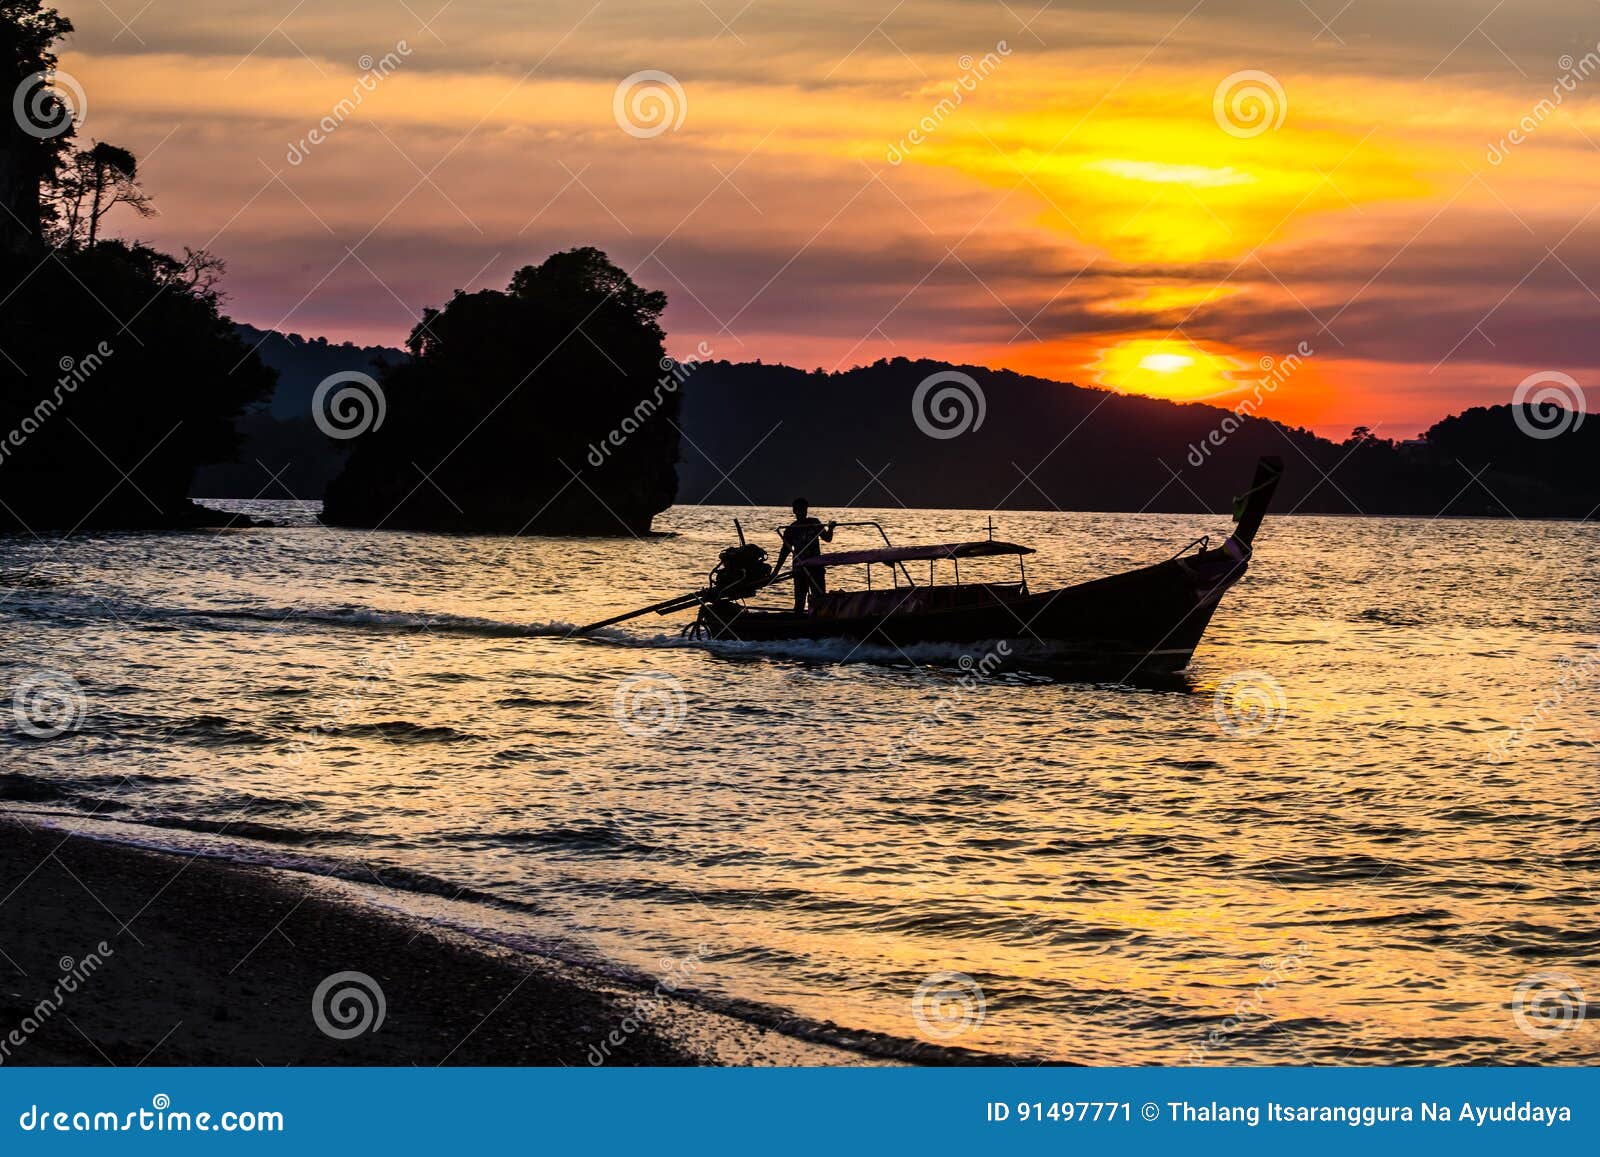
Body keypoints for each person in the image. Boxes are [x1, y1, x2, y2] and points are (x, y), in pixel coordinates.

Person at [773, 498, 836, 613]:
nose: (803, 512)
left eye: (804, 510)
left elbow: (827, 538)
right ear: (794, 511)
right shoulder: (791, 529)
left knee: (819, 598)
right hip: (800, 569)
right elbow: (785, 551)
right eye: (800, 510)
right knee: (800, 601)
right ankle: (799, 621)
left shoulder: (814, 522)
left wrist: (830, 528)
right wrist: (776, 571)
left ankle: (818, 620)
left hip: (816, 568)